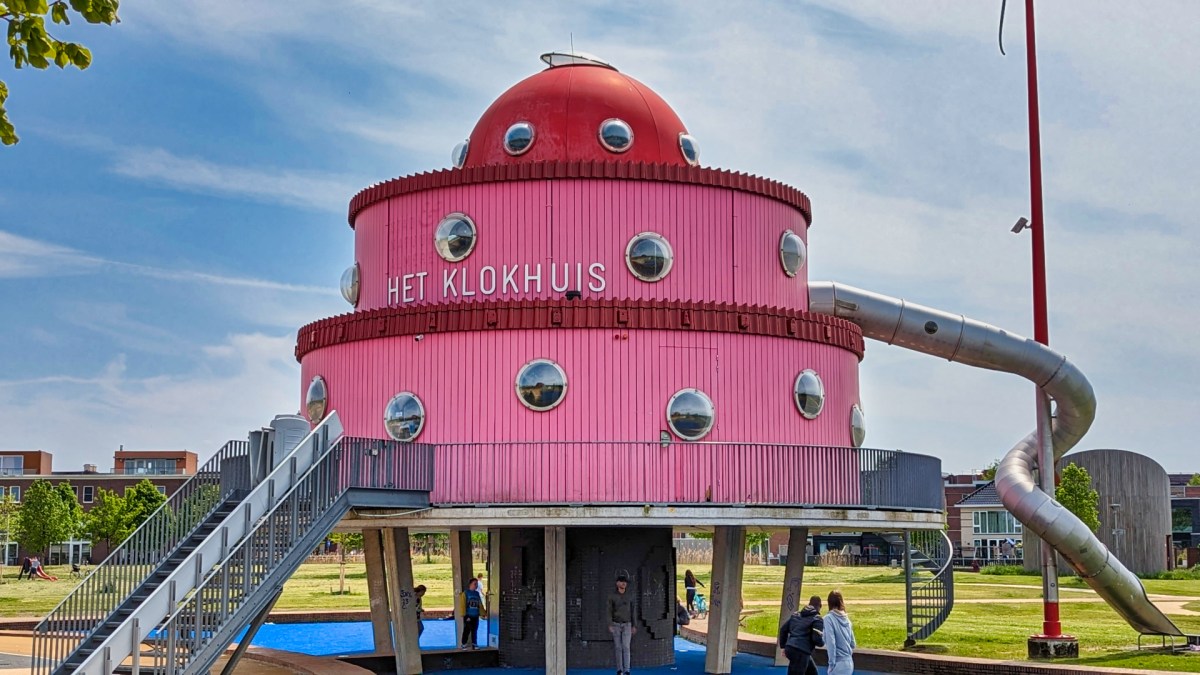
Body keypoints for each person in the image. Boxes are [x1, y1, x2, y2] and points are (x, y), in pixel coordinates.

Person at [777, 595, 823, 675]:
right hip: (802, 651)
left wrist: (783, 647)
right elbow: (816, 639)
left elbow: (783, 630)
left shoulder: (796, 615)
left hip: (790, 648)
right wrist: (823, 642)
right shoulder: (817, 619)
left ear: (809, 604)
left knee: (812, 672)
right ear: (820, 606)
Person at [608, 573, 636, 675]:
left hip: (627, 624)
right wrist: (610, 624)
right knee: (618, 647)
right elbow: (609, 610)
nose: (624, 583)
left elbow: (633, 610)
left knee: (626, 646)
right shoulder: (612, 596)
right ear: (617, 583)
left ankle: (627, 670)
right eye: (622, 581)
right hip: (616, 624)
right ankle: (619, 669)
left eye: (625, 582)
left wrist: (634, 625)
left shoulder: (630, 596)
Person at [823, 590, 856, 675]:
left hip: (837, 663)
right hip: (849, 663)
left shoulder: (828, 619)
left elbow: (831, 643)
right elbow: (853, 644)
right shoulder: (847, 620)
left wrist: (831, 664)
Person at [462, 577, 483, 649]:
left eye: (477, 584)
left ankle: (474, 644)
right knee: (467, 629)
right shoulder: (465, 593)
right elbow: (463, 605)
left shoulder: (477, 594)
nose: (476, 585)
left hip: (475, 615)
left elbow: (480, 603)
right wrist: (465, 615)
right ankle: (464, 643)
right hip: (468, 615)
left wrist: (482, 612)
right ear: (470, 584)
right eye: (475, 584)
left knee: (474, 630)